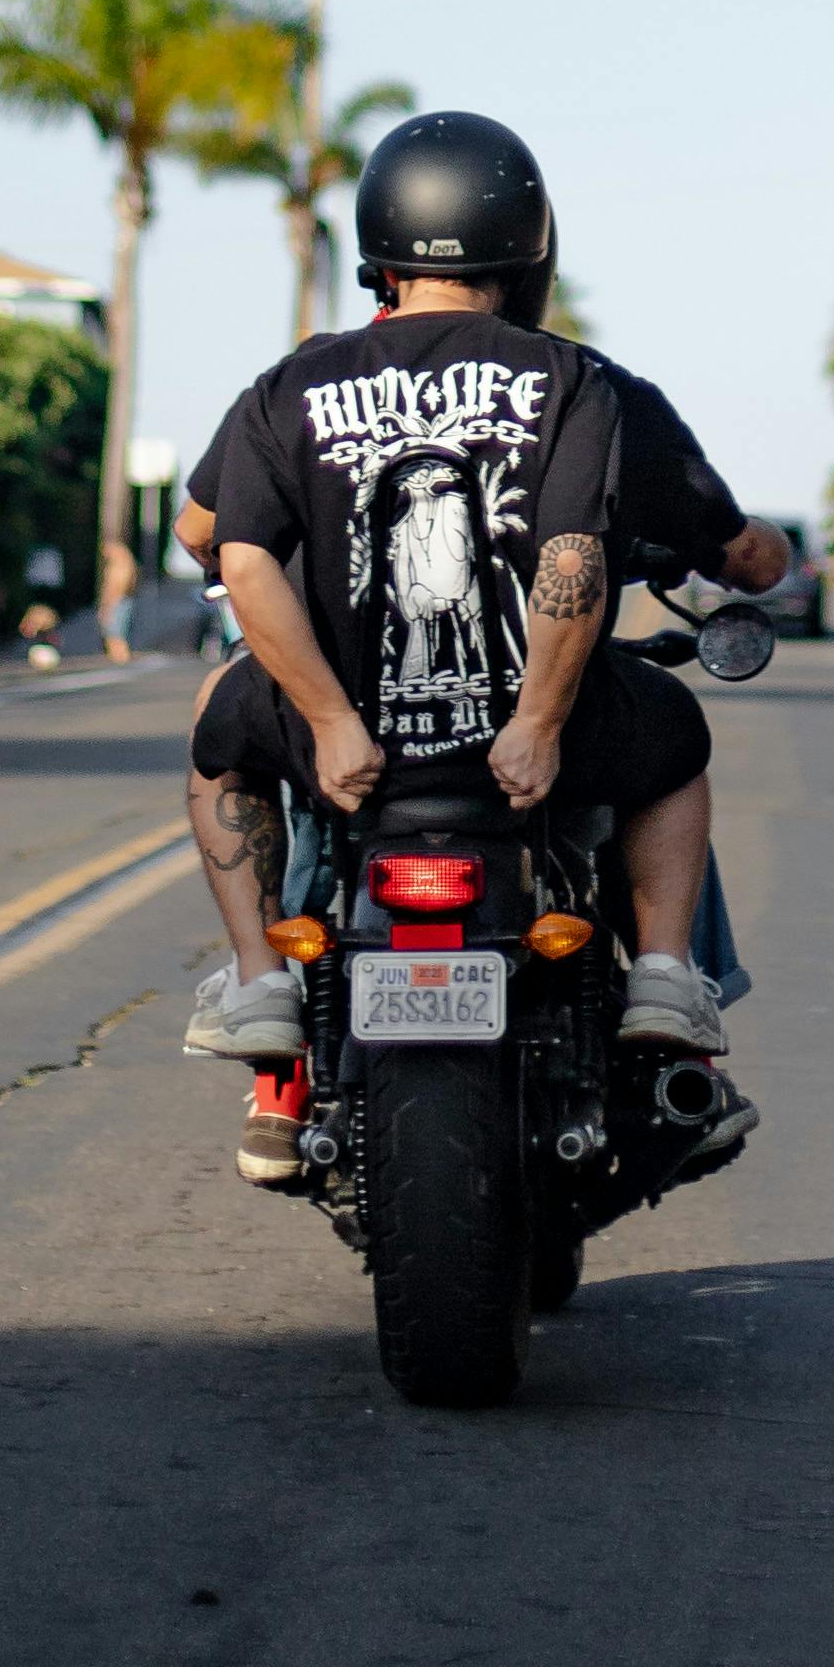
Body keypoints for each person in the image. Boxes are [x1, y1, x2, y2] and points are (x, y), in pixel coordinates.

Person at [174, 107, 757, 1067]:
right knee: (674, 736)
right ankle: (661, 975)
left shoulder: (292, 385)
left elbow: (230, 554)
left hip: (353, 743)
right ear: (527, 250)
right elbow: (570, 556)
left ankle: (261, 980)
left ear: (380, 251)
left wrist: (331, 722)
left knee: (218, 733)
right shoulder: (570, 378)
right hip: (523, 746)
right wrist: (536, 725)